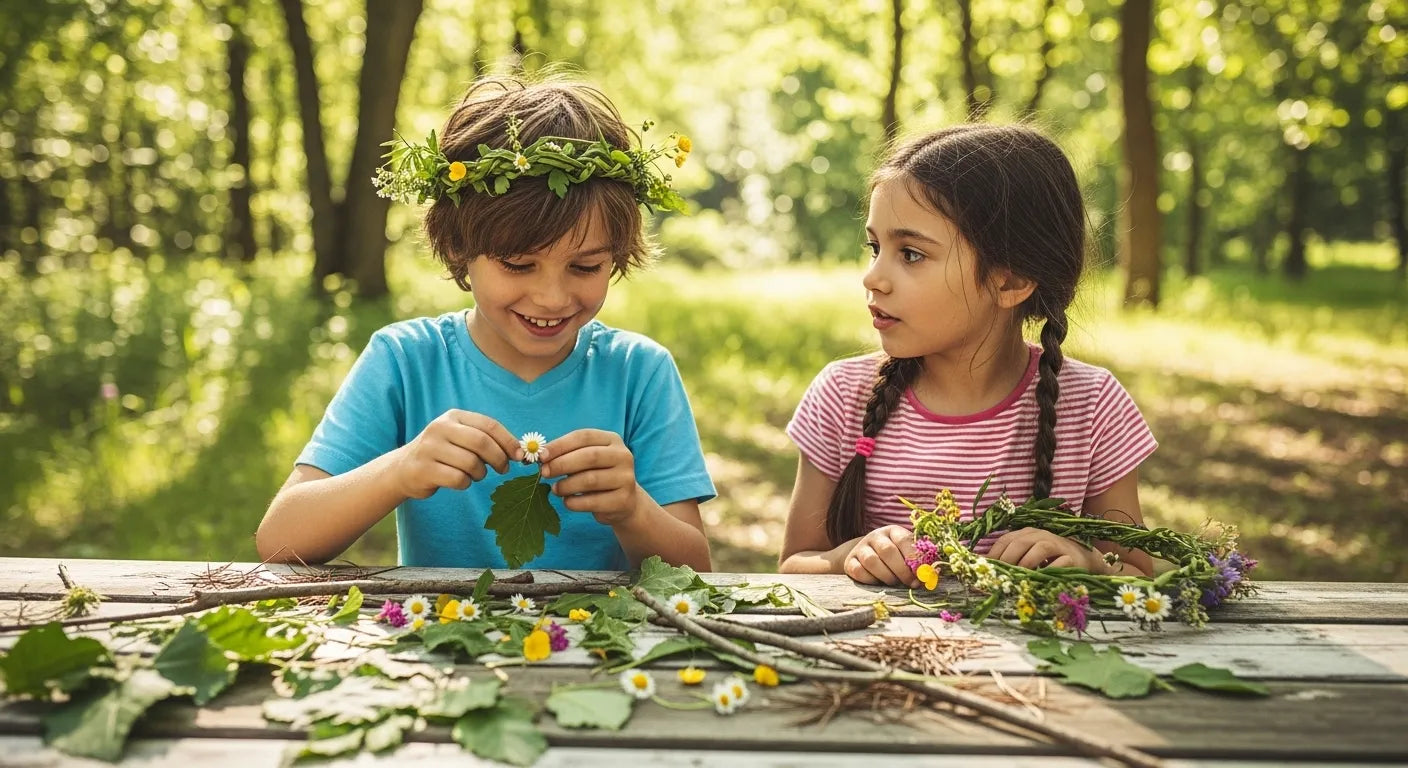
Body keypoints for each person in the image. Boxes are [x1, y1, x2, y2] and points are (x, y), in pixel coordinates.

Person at [256, 74, 714, 571]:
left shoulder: (639, 372)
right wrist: (399, 470)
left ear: (616, 257)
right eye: (518, 265)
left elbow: (696, 570)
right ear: (458, 248)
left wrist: (633, 510)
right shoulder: (406, 360)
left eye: (585, 267)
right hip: (442, 621)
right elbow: (280, 541)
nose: (552, 297)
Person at [779, 124, 1158, 587]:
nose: (872, 277)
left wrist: (1088, 563)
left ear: (1010, 281)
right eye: (874, 248)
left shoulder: (1092, 406)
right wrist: (846, 557)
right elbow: (794, 564)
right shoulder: (842, 397)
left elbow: (1138, 576)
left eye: (911, 254)